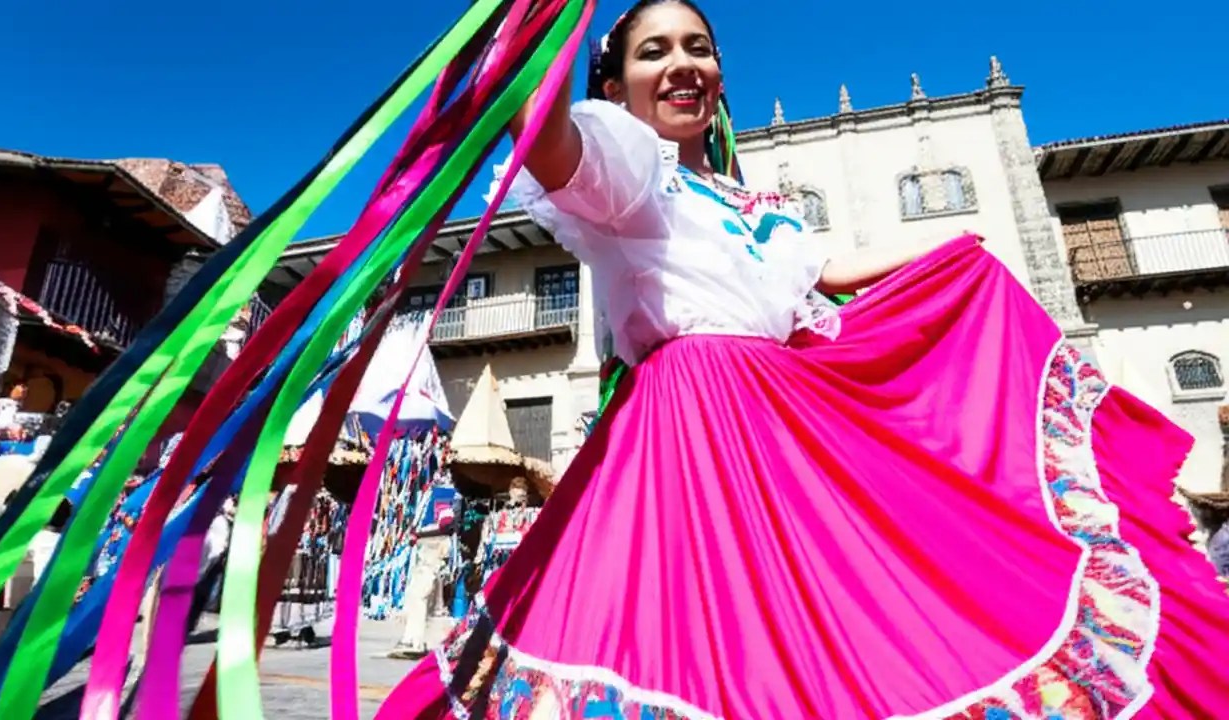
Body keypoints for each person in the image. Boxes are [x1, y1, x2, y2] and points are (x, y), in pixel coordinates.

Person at [378, 2, 1229, 717]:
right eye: (654, 51)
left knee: (830, 633)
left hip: (783, 417)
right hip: (690, 421)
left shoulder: (757, 203)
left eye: (698, 48)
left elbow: (823, 274)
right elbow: (545, 137)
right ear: (613, 86)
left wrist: (956, 253)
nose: (683, 64)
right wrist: (539, 33)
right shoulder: (625, 174)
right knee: (696, 633)